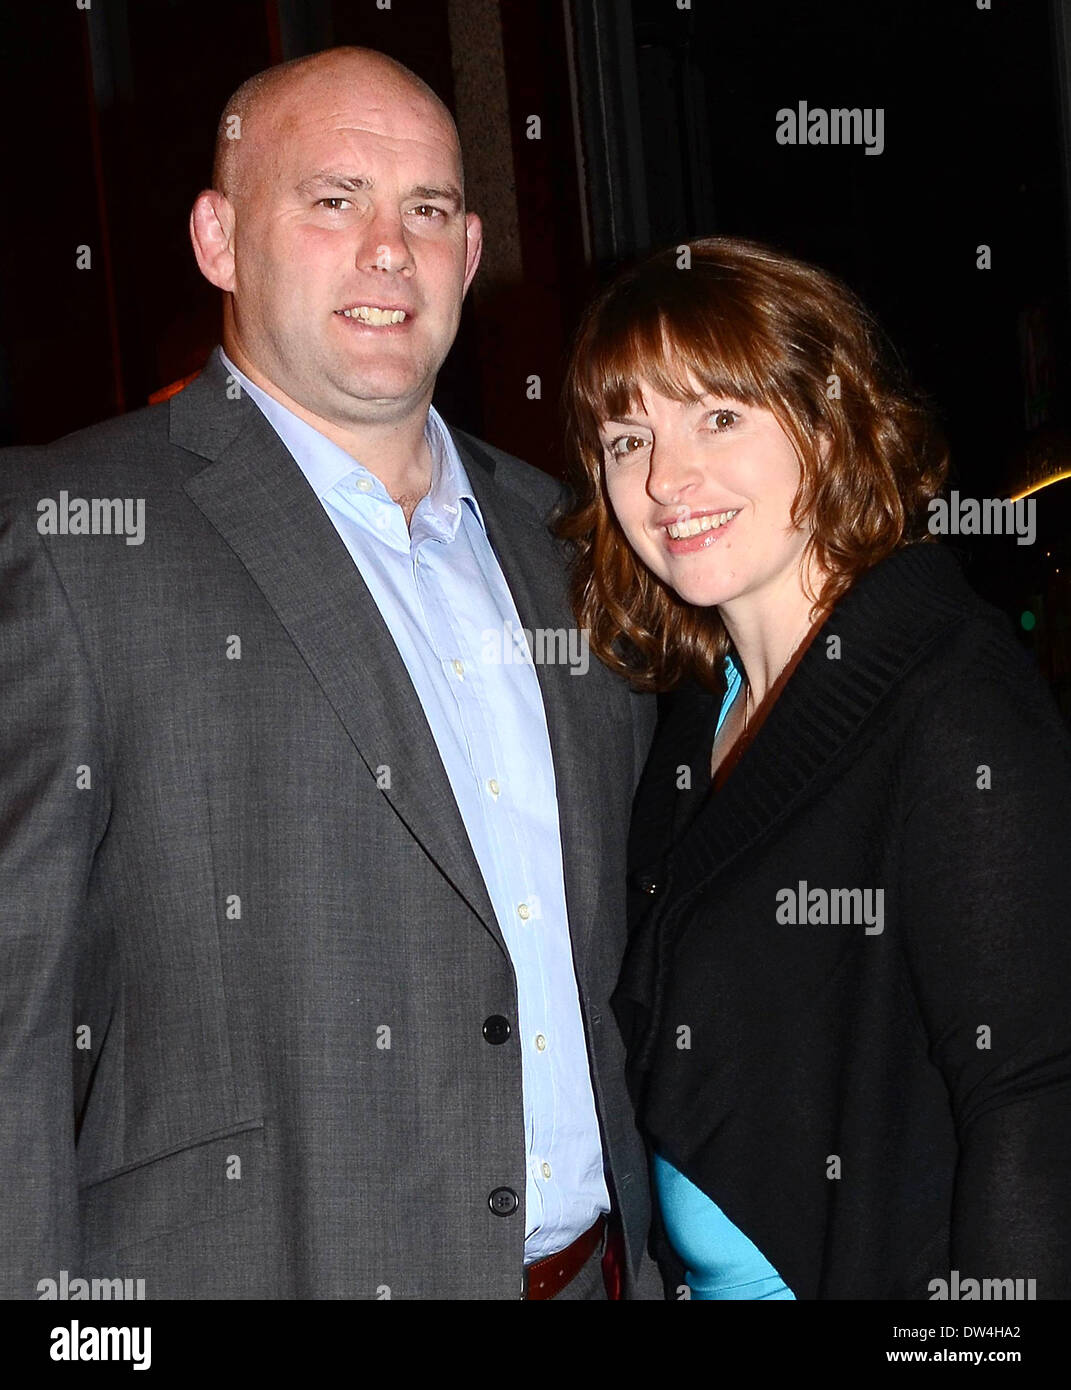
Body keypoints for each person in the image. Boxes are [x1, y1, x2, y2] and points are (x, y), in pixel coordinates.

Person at [0, 46, 661, 1300]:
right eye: (333, 198)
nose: (388, 250)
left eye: (426, 211)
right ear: (218, 238)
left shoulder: (576, 546)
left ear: (471, 253)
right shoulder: (69, 533)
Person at [557, 235, 1071, 1299]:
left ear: (829, 423)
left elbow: (1034, 1098)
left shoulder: (949, 701)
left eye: (720, 417)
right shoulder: (700, 721)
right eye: (626, 436)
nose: (666, 478)